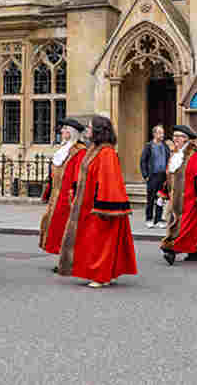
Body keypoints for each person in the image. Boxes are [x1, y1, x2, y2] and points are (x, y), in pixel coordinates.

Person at [57, 115, 137, 288]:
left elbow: (108, 181)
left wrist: (101, 206)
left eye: (91, 128)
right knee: (92, 241)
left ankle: (101, 275)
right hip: (86, 204)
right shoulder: (95, 149)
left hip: (99, 206)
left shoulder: (107, 152)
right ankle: (102, 273)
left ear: (99, 131)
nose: (88, 131)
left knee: (100, 242)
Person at [39, 118, 88, 256]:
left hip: (68, 198)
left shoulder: (80, 151)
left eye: (65, 129)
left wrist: (74, 197)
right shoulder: (64, 149)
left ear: (71, 132)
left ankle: (70, 259)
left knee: (68, 229)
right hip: (57, 196)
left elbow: (78, 177)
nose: (61, 131)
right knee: (58, 227)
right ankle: (64, 257)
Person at [158, 125, 197, 265]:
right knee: (189, 229)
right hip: (175, 200)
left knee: (183, 228)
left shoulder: (195, 155)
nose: (175, 139)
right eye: (174, 136)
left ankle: (170, 250)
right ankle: (195, 252)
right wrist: (163, 194)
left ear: (186, 139)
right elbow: (169, 177)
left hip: (191, 200)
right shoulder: (175, 155)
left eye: (179, 136)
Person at [139, 124, 171, 229]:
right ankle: (149, 219)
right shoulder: (149, 146)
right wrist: (145, 176)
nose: (162, 135)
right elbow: (143, 161)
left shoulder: (165, 146)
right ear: (154, 134)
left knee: (161, 198)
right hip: (152, 176)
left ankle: (158, 219)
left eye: (163, 132)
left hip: (163, 176)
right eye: (160, 132)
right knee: (151, 198)